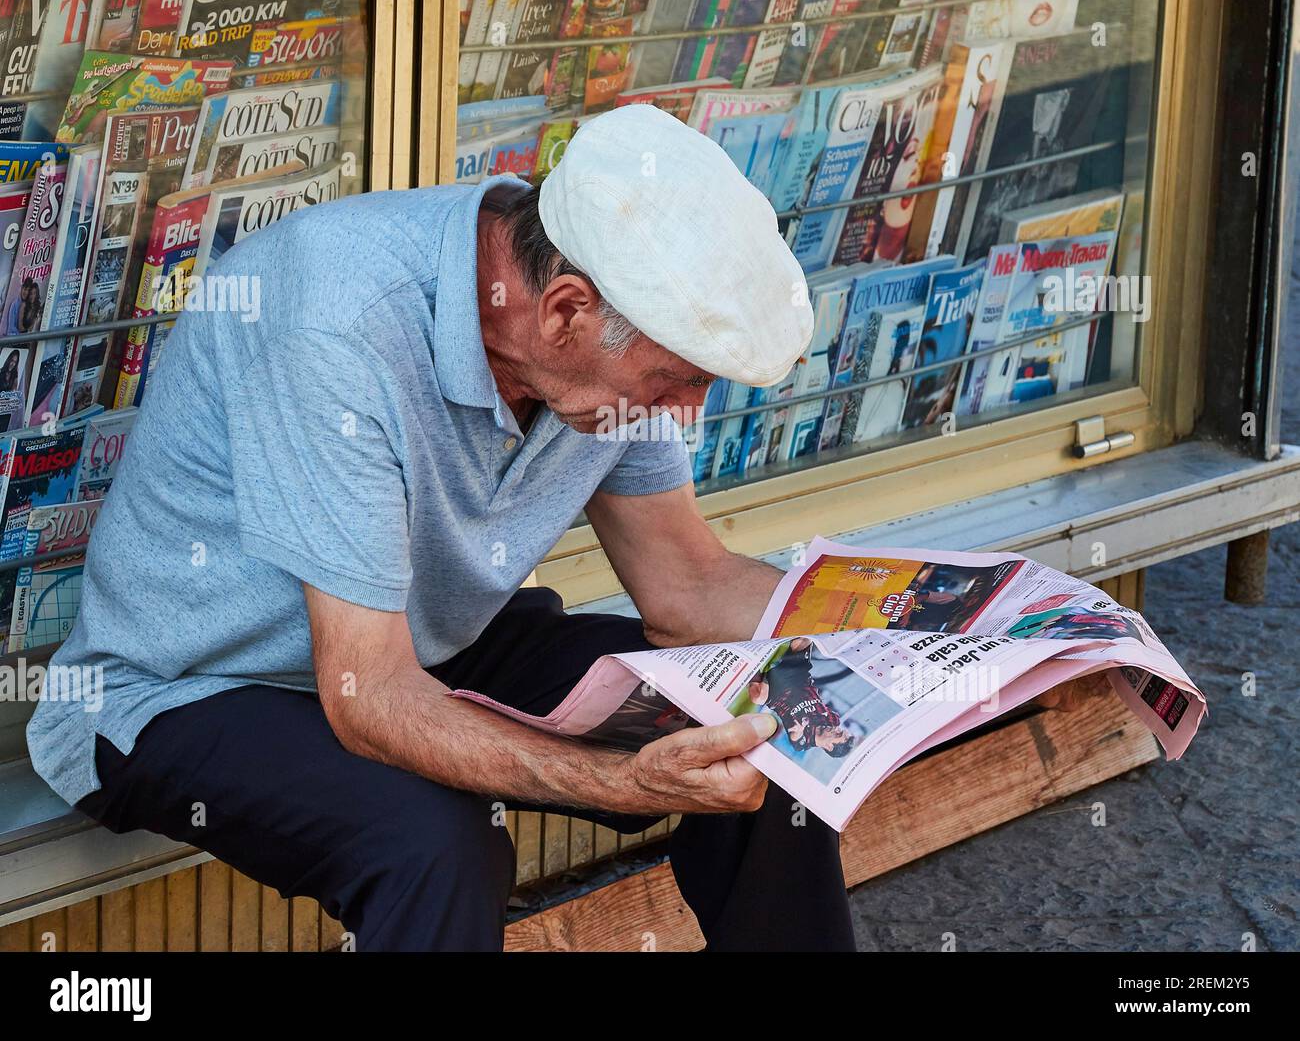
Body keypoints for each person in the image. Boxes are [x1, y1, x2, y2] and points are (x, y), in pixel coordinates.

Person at [27, 104, 857, 952]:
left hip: (419, 641)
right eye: (676, 379)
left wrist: (928, 635)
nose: (686, 413)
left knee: (769, 722)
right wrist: (622, 782)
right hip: (193, 685)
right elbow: (371, 699)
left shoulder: (599, 342)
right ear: (566, 309)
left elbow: (689, 586)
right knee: (437, 848)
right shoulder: (340, 322)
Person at [748, 638, 857, 760]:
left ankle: (749, 660)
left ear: (829, 746)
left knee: (758, 697)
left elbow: (796, 738)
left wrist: (798, 731)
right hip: (799, 678)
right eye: (841, 730)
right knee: (804, 641)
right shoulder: (833, 720)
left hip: (776, 694)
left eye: (838, 734)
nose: (837, 729)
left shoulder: (805, 743)